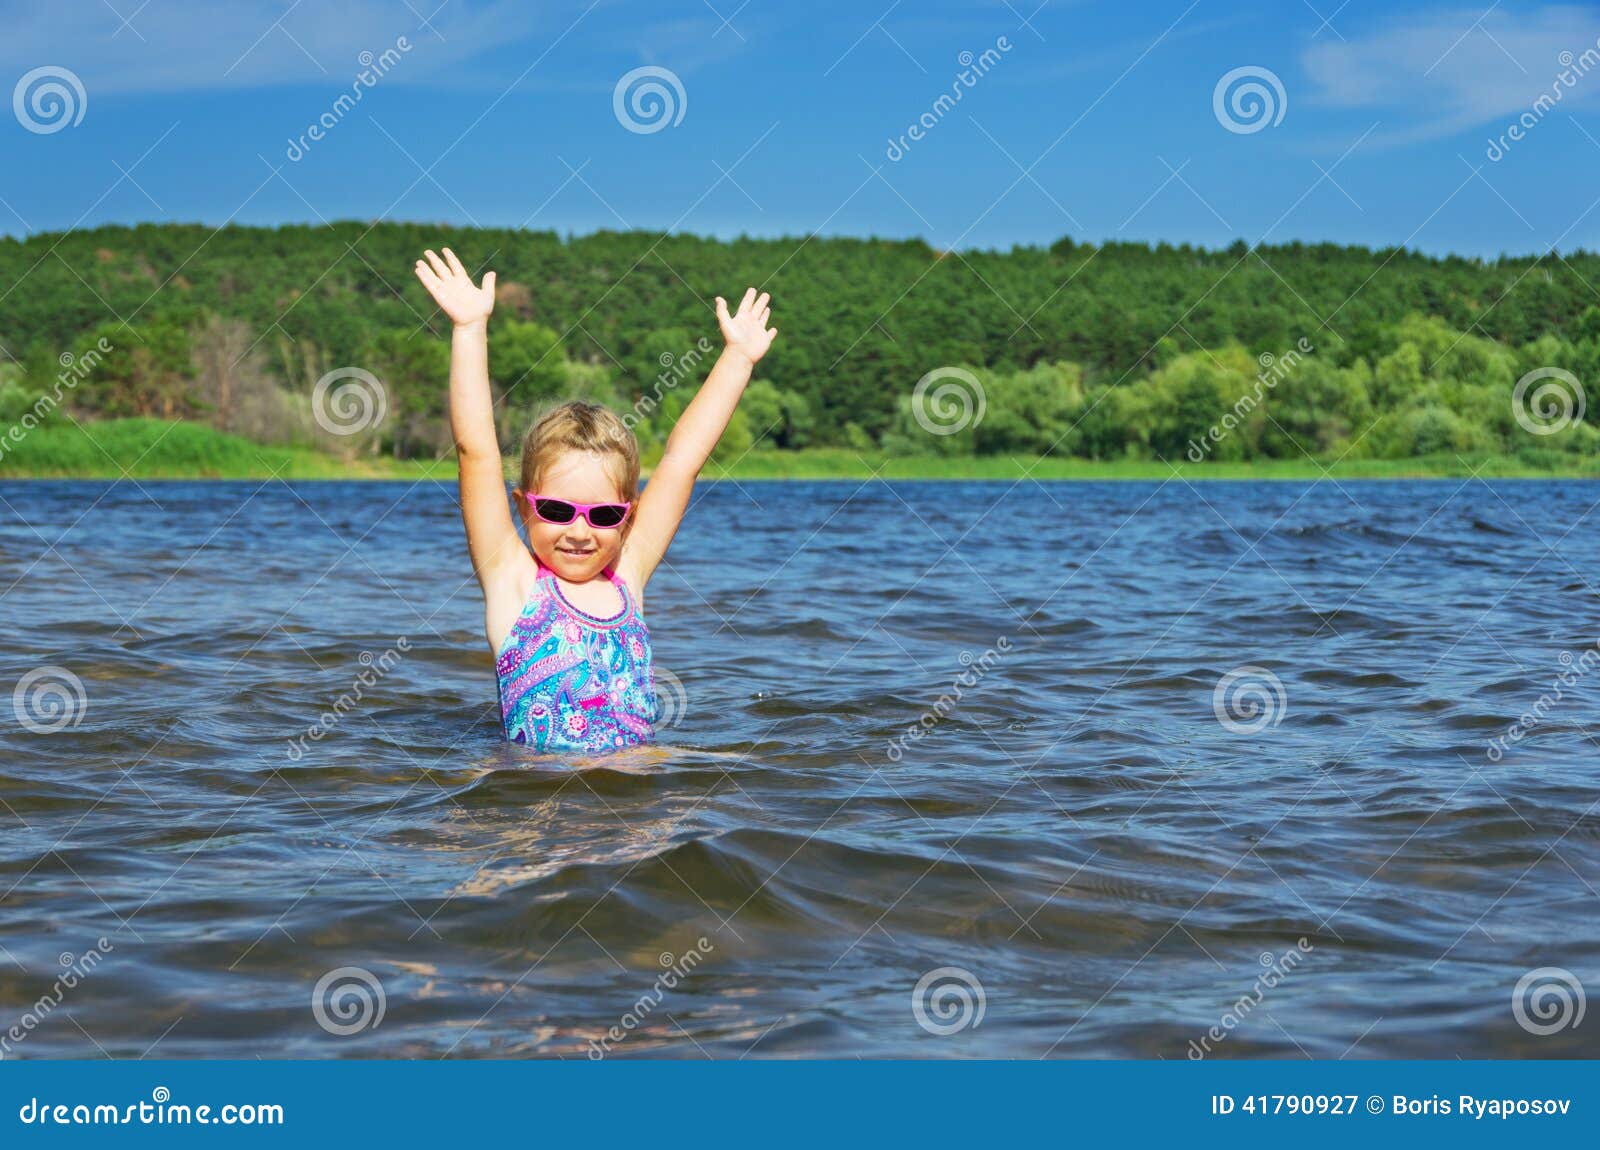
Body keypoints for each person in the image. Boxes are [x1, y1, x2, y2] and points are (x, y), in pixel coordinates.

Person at [413, 248, 777, 754]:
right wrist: (469, 329)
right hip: (539, 804)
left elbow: (682, 460)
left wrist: (737, 359)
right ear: (523, 508)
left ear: (628, 519)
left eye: (604, 516)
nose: (580, 532)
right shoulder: (512, 582)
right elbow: (476, 453)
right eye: (557, 511)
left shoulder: (628, 573)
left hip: (633, 816)